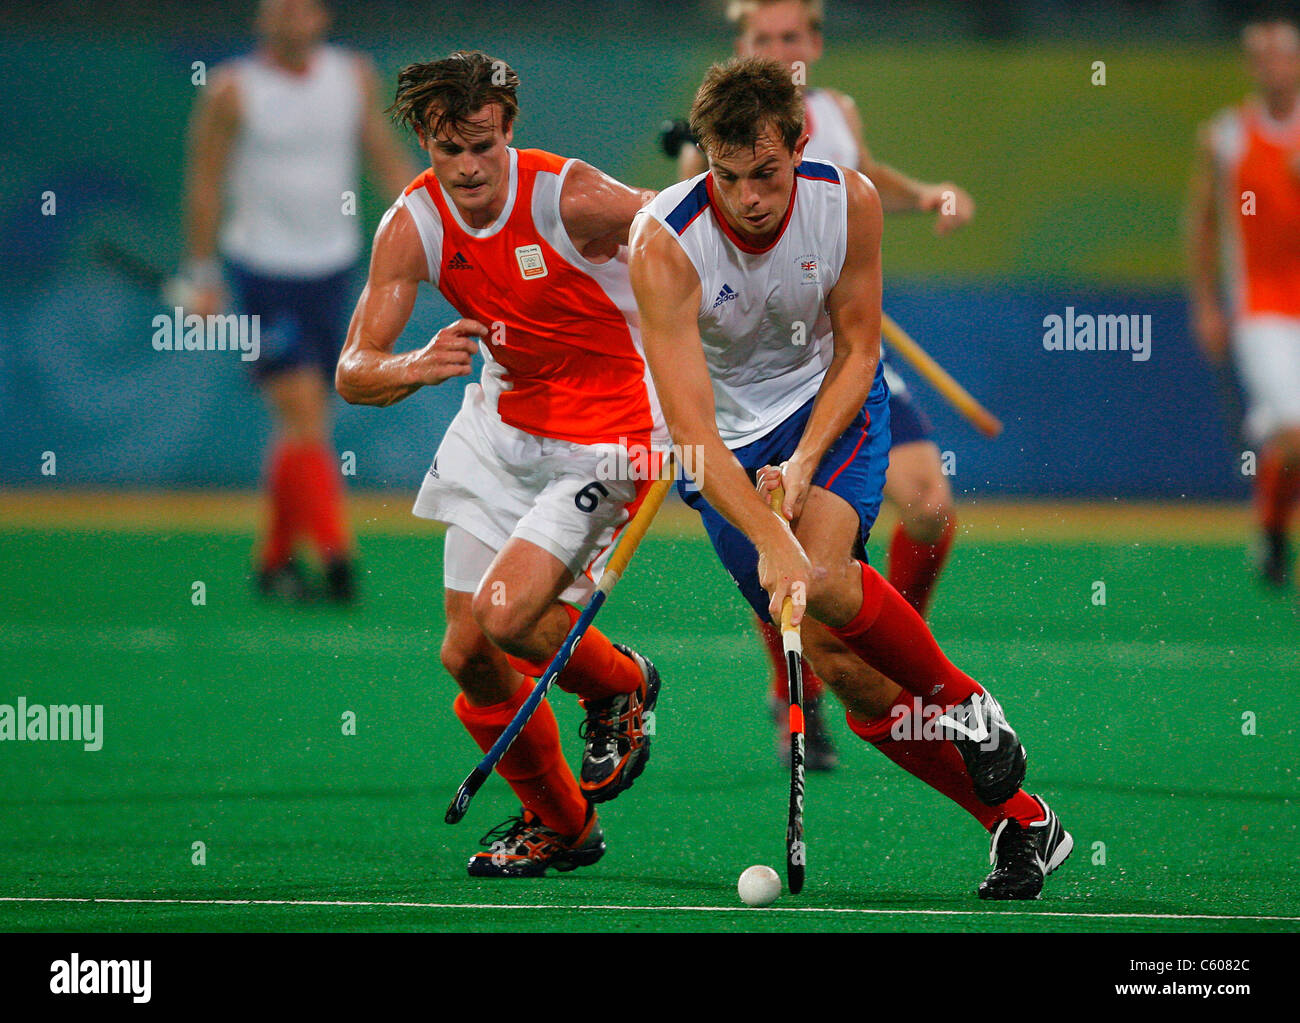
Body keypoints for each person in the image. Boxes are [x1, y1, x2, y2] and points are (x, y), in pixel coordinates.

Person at [630, 56, 1070, 899]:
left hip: (831, 403)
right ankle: (1022, 821)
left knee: (827, 577)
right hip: (718, 444)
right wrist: (766, 532)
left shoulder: (849, 202)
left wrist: (799, 464)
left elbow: (861, 348)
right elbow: (690, 432)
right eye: (727, 177)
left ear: (798, 144)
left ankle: (966, 702)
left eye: (765, 173)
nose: (748, 197)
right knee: (844, 666)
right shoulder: (664, 243)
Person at [336, 51, 665, 877]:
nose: (470, 167)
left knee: (508, 616)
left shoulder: (572, 195)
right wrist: (413, 366)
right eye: (450, 151)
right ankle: (563, 823)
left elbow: (683, 240)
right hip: (499, 428)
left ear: (509, 128)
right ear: (424, 141)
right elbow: (353, 370)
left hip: (608, 432)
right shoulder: (411, 225)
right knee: (466, 652)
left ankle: (618, 683)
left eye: (484, 144)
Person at [676, 0, 975, 770]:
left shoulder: (834, 115)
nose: (778, 50)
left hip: (840, 357)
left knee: (931, 508)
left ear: (812, 43)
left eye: (790, 38)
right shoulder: (714, 153)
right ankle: (795, 684)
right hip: (749, 392)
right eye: (762, 39)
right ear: (743, 47)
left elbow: (864, 178)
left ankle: (883, 637)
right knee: (775, 542)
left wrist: (928, 195)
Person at [182, 0, 418, 603]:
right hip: (260, 270)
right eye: (279, 8)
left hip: (332, 269)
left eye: (302, 7)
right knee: (303, 411)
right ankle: (339, 558)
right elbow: (204, 181)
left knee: (302, 423)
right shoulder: (232, 90)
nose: (292, 17)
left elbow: (382, 155)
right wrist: (202, 272)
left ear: (322, 16)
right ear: (262, 18)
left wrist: (435, 222)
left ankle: (273, 563)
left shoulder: (353, 75)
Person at [1189, 16, 1300, 590]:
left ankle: (1273, 533)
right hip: (1262, 307)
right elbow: (1203, 222)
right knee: (1290, 430)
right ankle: (1275, 535)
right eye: (1263, 57)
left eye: (1283, 55)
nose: (1274, 67)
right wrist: (1206, 301)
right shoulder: (1227, 135)